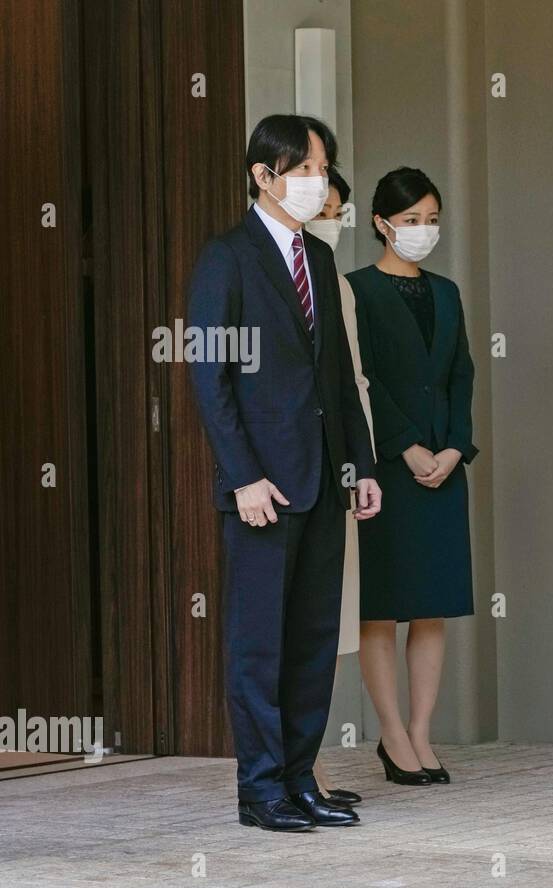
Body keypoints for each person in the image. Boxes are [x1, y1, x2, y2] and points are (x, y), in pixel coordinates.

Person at [187, 114, 382, 831]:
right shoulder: (227, 258)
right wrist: (243, 478)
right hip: (262, 491)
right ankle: (261, 790)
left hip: (324, 483)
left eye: (322, 169)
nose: (316, 182)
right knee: (259, 644)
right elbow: (211, 380)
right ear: (262, 176)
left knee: (309, 644)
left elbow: (337, 377)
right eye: (303, 170)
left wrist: (359, 465)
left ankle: (302, 779)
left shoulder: (321, 261)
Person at [346, 167, 478, 787]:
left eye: (431, 221)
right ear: (380, 223)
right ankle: (391, 735)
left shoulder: (447, 292)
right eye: (409, 221)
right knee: (382, 607)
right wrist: (407, 447)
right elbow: (360, 380)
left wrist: (455, 448)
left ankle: (423, 732)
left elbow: (461, 376)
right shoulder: (356, 291)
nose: (423, 231)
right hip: (387, 470)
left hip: (444, 470)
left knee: (432, 609)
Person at [302, 167, 373, 807]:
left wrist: (364, 465)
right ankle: (298, 771)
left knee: (331, 627)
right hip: (301, 477)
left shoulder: (335, 283)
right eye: (322, 204)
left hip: (342, 471)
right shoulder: (278, 274)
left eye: (336, 208)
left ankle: (312, 764)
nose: (329, 215)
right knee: (299, 629)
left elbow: (351, 387)